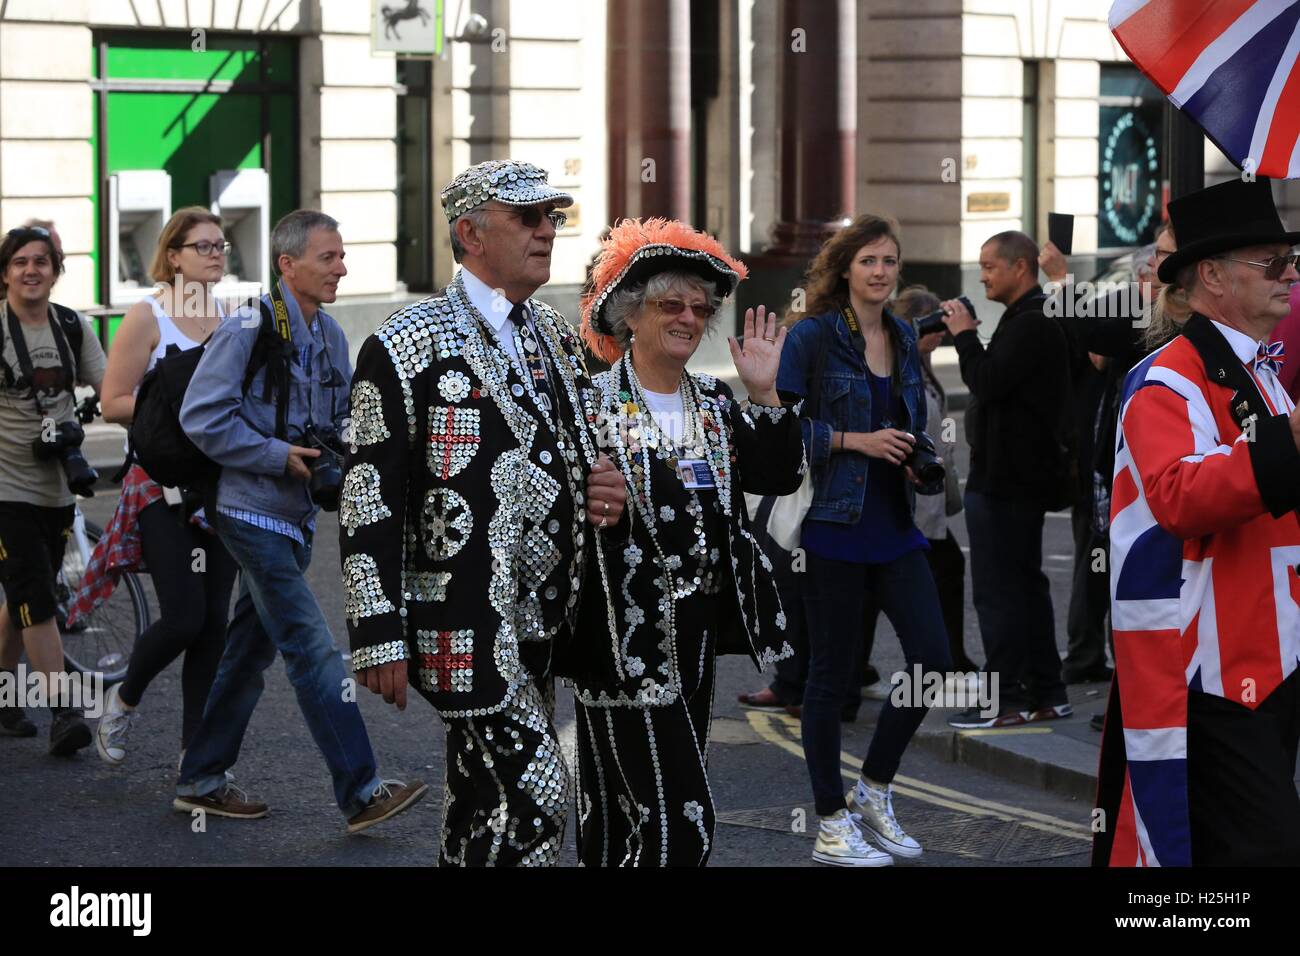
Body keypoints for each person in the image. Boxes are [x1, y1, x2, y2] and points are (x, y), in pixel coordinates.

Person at [339, 160, 627, 866]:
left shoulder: (558, 337)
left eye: (552, 218)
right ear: (470, 232)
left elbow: (584, 448)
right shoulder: (407, 341)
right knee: (536, 793)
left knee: (479, 799)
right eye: (526, 218)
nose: (545, 231)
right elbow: (368, 495)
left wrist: (600, 483)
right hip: (459, 622)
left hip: (544, 621)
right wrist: (377, 633)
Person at [174, 209, 426, 832]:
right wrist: (275, 454)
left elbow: (340, 421)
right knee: (312, 646)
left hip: (294, 516)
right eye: (328, 258)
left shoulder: (333, 337)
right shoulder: (249, 326)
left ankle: (201, 778)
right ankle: (362, 791)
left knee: (247, 650)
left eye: (341, 257)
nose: (341, 267)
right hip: (247, 508)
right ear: (288, 264)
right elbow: (201, 416)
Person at [570, 218, 803, 866]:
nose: (689, 317)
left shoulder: (715, 404)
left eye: (700, 307)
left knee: (621, 820)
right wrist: (583, 499)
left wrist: (765, 393)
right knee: (678, 823)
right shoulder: (588, 407)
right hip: (619, 638)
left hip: (697, 635)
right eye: (671, 304)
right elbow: (545, 514)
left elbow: (778, 474)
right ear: (629, 316)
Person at [1094, 177, 1300, 866]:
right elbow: (1178, 496)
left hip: (1273, 662)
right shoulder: (1166, 381)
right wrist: (1287, 441)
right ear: (1212, 275)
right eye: (1272, 261)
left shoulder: (1261, 373)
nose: (1291, 272)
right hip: (1214, 677)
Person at [777, 214, 952, 866]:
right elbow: (782, 432)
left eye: (888, 261)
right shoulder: (815, 338)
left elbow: (906, 423)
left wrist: (914, 455)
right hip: (833, 527)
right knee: (829, 682)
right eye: (868, 261)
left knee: (934, 661)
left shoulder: (904, 337)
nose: (880, 271)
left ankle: (874, 789)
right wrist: (857, 442)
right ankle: (830, 822)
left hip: (896, 527)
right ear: (845, 268)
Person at [74, 207, 241, 765]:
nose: (217, 253)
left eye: (221, 245)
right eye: (204, 246)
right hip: (159, 486)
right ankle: (121, 701)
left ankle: (196, 760)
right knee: (184, 616)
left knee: (213, 627)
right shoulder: (147, 316)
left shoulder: (230, 319)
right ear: (173, 256)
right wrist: (174, 416)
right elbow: (113, 399)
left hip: (219, 486)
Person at [942, 231, 1073, 728]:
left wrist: (964, 335)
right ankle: (1048, 690)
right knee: (1024, 587)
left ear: (1021, 268)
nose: (982, 276)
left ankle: (1008, 698)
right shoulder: (1029, 319)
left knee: (999, 592)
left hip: (1006, 481)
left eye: (990, 266)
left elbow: (988, 381)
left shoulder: (1033, 322)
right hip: (1017, 478)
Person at [0, 224, 106, 752]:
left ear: (55, 271)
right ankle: (64, 711)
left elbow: (113, 390)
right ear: (5, 274)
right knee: (37, 598)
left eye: (41, 261)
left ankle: (4, 697)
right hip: (5, 489)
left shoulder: (71, 326)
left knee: (25, 592)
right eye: (20, 262)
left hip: (59, 487)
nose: (31, 270)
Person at [892, 285, 976, 675]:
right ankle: (946, 660)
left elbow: (940, 427)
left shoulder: (922, 366)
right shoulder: (900, 367)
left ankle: (947, 658)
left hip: (930, 495)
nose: (940, 333)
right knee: (941, 572)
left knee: (941, 572)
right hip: (911, 498)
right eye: (933, 326)